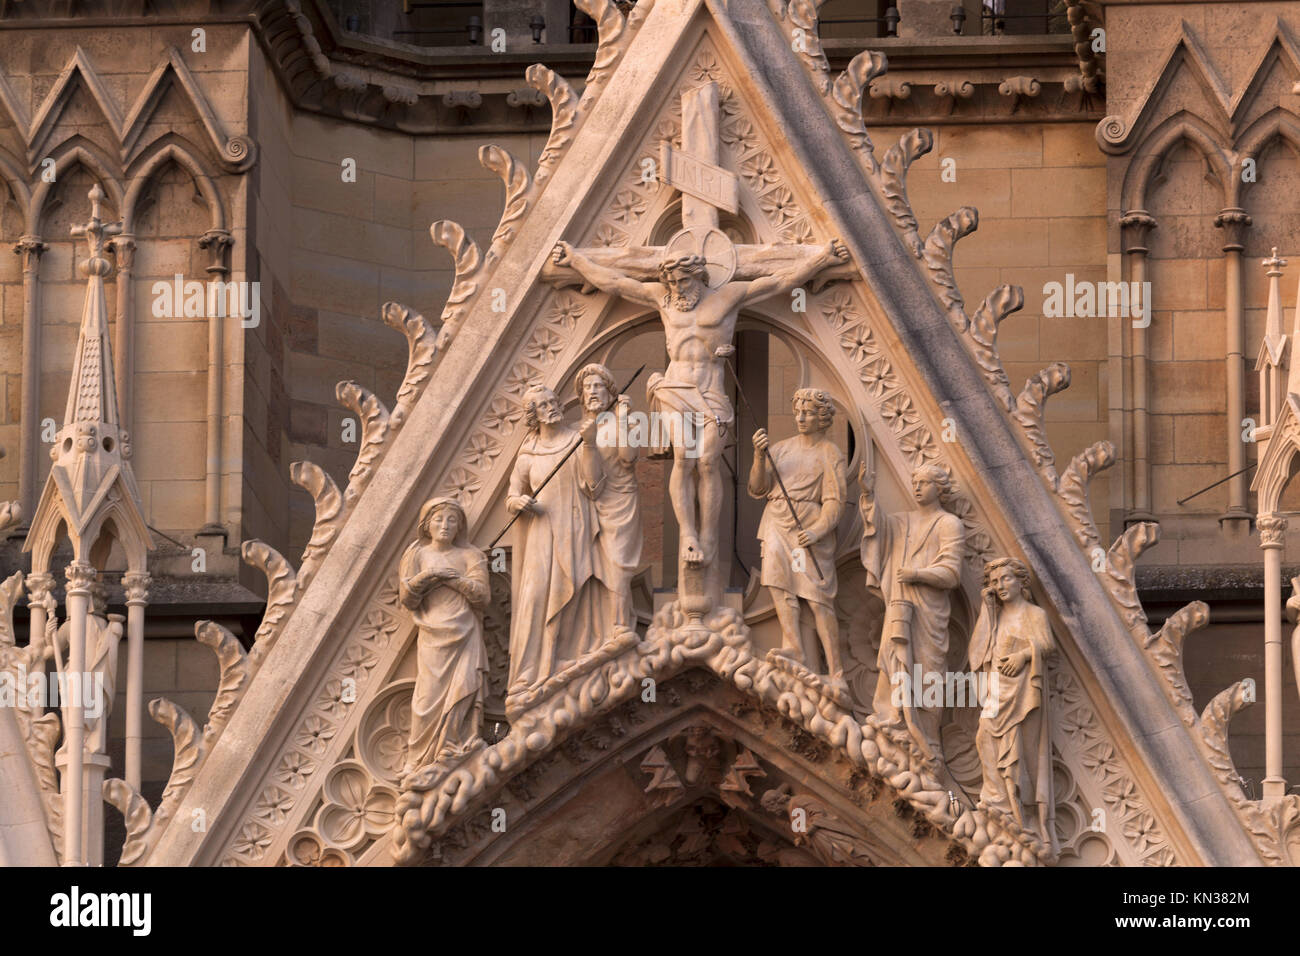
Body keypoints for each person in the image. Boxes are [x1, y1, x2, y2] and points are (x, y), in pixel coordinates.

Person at [504, 383, 603, 711]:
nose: (552, 407)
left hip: (573, 527)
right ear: (534, 415)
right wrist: (518, 501)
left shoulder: (577, 439)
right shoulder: (528, 451)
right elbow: (512, 494)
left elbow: (593, 484)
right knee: (535, 596)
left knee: (569, 589)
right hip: (541, 532)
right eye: (543, 405)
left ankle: (559, 658)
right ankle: (530, 672)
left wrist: (589, 445)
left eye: (553, 401)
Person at [859, 460, 964, 762]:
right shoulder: (901, 522)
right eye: (915, 482)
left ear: (939, 488)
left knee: (928, 671)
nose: (917, 488)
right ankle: (890, 719)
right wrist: (867, 493)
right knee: (892, 659)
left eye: (925, 483)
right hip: (899, 607)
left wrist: (918, 574)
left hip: (928, 613)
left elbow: (952, 573)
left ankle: (927, 739)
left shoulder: (948, 524)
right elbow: (876, 527)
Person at [749, 387, 846, 686]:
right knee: (780, 586)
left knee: (817, 598)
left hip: (808, 527)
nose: (801, 418)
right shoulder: (781, 448)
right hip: (776, 521)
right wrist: (758, 456)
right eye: (798, 412)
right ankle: (794, 646)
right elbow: (758, 488)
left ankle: (836, 671)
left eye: (808, 413)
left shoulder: (829, 453)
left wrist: (817, 531)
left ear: (822, 417)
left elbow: (835, 500)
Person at [968, 556, 1056, 852]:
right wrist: (986, 610)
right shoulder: (995, 616)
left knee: (1018, 750)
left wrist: (1023, 656)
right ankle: (996, 800)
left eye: (1005, 579)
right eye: (994, 582)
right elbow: (978, 653)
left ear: (1020, 581)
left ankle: (1019, 812)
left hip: (1021, 692)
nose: (1000, 585)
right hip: (997, 689)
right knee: (983, 736)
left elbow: (1047, 644)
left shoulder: (1033, 614)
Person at [399, 497, 489, 774]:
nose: (445, 525)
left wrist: (453, 579)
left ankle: (457, 745)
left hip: (465, 634)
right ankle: (419, 760)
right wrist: (428, 576)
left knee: (463, 690)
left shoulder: (471, 556)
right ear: (427, 524)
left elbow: (483, 596)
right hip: (432, 634)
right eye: (439, 519)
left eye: (452, 520)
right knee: (427, 699)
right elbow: (408, 598)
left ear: (460, 525)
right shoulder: (417, 554)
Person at [576, 363, 641, 638]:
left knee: (618, 564)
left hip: (620, 502)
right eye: (588, 387)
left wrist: (624, 418)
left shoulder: (628, 423)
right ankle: (592, 629)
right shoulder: (575, 431)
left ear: (610, 391)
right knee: (588, 568)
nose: (593, 391)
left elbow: (628, 457)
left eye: (598, 386)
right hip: (586, 506)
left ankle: (620, 624)